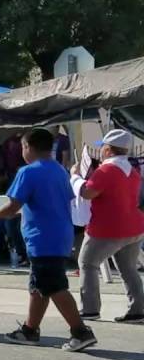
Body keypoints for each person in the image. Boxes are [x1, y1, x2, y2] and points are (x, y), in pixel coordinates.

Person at [0, 128, 96, 351]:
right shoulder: (60, 170)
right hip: (59, 234)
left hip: (42, 237)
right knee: (39, 286)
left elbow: (14, 205)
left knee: (54, 286)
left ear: (28, 147)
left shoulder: (28, 172)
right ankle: (29, 329)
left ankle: (80, 331)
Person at [71, 129, 144, 322]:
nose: (100, 150)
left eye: (102, 147)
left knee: (87, 263)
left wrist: (75, 178)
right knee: (129, 268)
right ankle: (138, 309)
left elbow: (88, 193)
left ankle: (90, 309)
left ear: (109, 150)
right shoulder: (133, 171)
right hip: (134, 227)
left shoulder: (106, 170)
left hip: (108, 229)